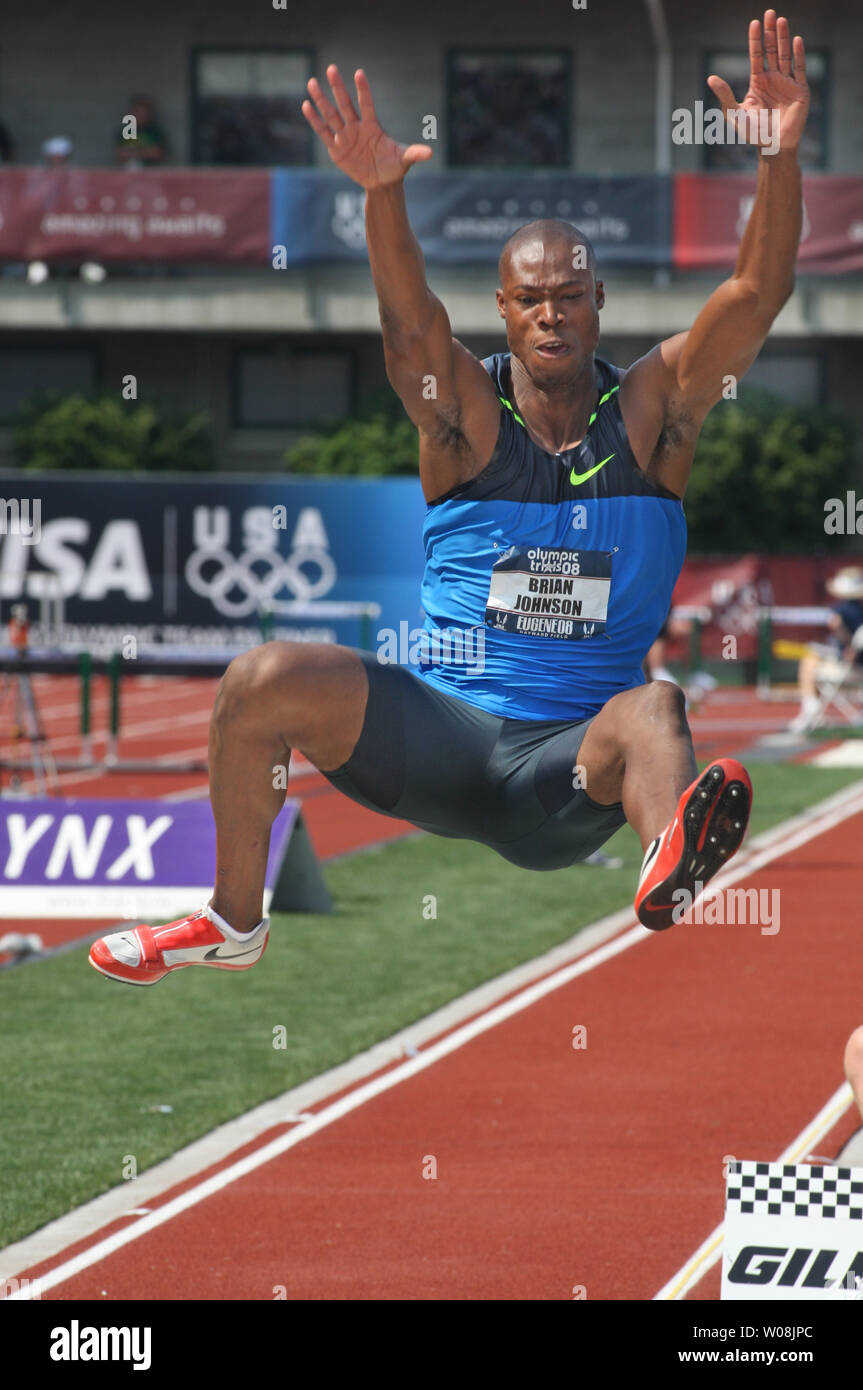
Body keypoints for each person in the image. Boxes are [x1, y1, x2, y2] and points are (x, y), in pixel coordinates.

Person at [90, 12, 810, 986]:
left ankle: (662, 860)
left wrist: (776, 157)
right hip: (438, 736)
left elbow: (754, 294)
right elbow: (406, 328)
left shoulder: (653, 416)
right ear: (503, 312)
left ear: (599, 302)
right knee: (258, 679)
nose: (551, 311)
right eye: (530, 298)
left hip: (569, 768)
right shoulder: (463, 420)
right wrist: (384, 195)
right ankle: (233, 917)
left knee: (656, 708)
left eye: (569, 293)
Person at [788, 566, 863, 733]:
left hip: (847, 668)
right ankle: (813, 709)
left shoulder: (839, 610)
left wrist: (848, 643)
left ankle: (810, 705)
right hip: (857, 666)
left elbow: (834, 624)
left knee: (810, 658)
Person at [115, 95, 167, 169]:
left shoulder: (155, 132)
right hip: (128, 172)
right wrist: (145, 152)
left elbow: (158, 154)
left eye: (143, 113)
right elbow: (120, 154)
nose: (140, 116)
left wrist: (132, 152)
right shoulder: (125, 130)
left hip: (151, 171)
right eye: (138, 112)